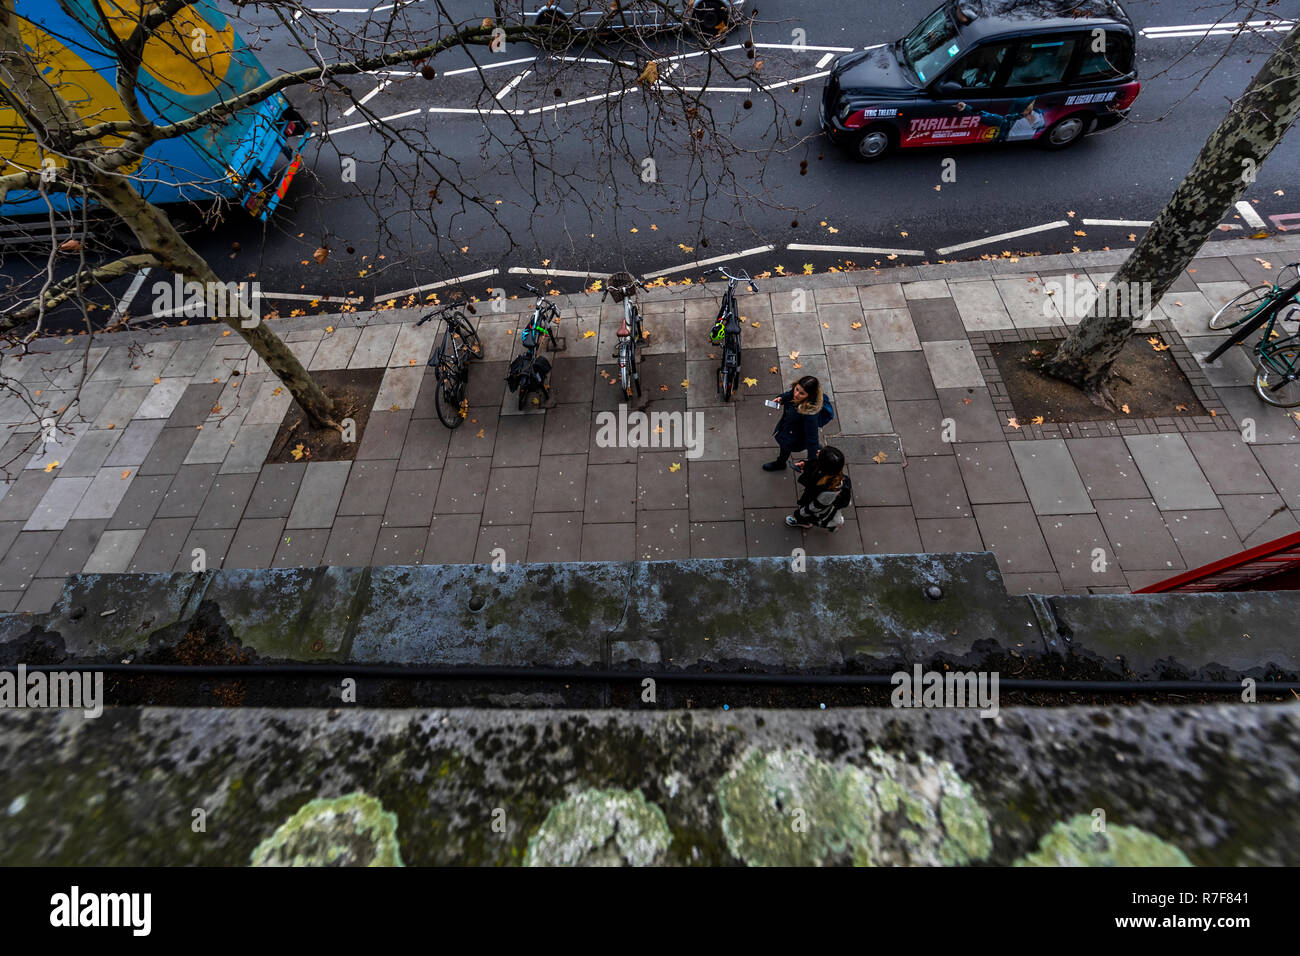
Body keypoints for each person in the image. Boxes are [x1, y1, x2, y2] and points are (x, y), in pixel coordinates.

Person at [763, 375, 823, 471]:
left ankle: (780, 463)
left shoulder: (809, 415)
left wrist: (812, 461)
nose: (796, 394)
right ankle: (819, 449)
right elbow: (789, 394)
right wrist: (781, 398)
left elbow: (812, 437)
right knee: (785, 447)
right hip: (787, 428)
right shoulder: (796, 394)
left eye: (802, 393)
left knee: (785, 448)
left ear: (809, 396)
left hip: (794, 437)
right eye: (797, 389)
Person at [786, 446, 852, 532]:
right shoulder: (830, 470)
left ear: (823, 466)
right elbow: (814, 465)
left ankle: (807, 523)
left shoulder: (829, 492)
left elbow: (816, 506)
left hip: (815, 502)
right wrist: (804, 465)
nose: (817, 451)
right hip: (815, 495)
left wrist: (801, 513)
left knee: (816, 517)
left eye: (820, 453)